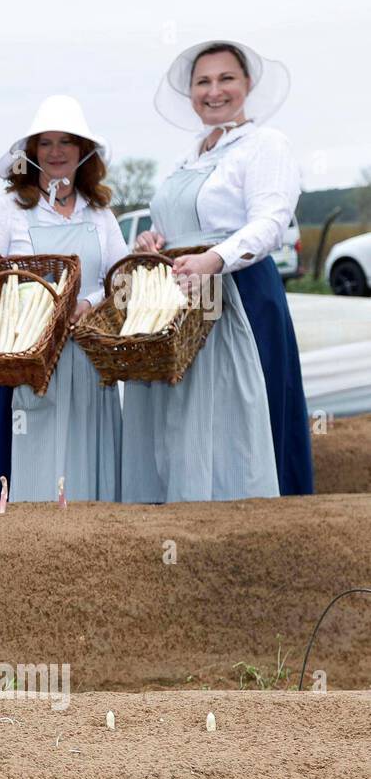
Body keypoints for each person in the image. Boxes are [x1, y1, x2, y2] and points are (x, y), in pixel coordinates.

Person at [126, 40, 304, 501]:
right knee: (185, 414)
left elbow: (270, 222)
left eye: (226, 78)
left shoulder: (265, 144)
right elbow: (173, 225)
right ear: (191, 93)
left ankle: (254, 522)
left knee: (240, 414)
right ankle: (189, 512)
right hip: (184, 300)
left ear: (247, 85)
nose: (214, 91)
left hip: (240, 294)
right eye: (203, 82)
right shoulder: (190, 157)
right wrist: (153, 242)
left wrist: (214, 259)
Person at [0, 96, 126, 502]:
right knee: (28, 457)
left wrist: (91, 304)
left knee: (81, 460)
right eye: (46, 143)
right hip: (24, 357)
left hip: (85, 359)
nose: (56, 152)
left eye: (66, 142)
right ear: (32, 152)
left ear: (82, 152)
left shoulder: (100, 213)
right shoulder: (11, 208)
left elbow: (122, 281)